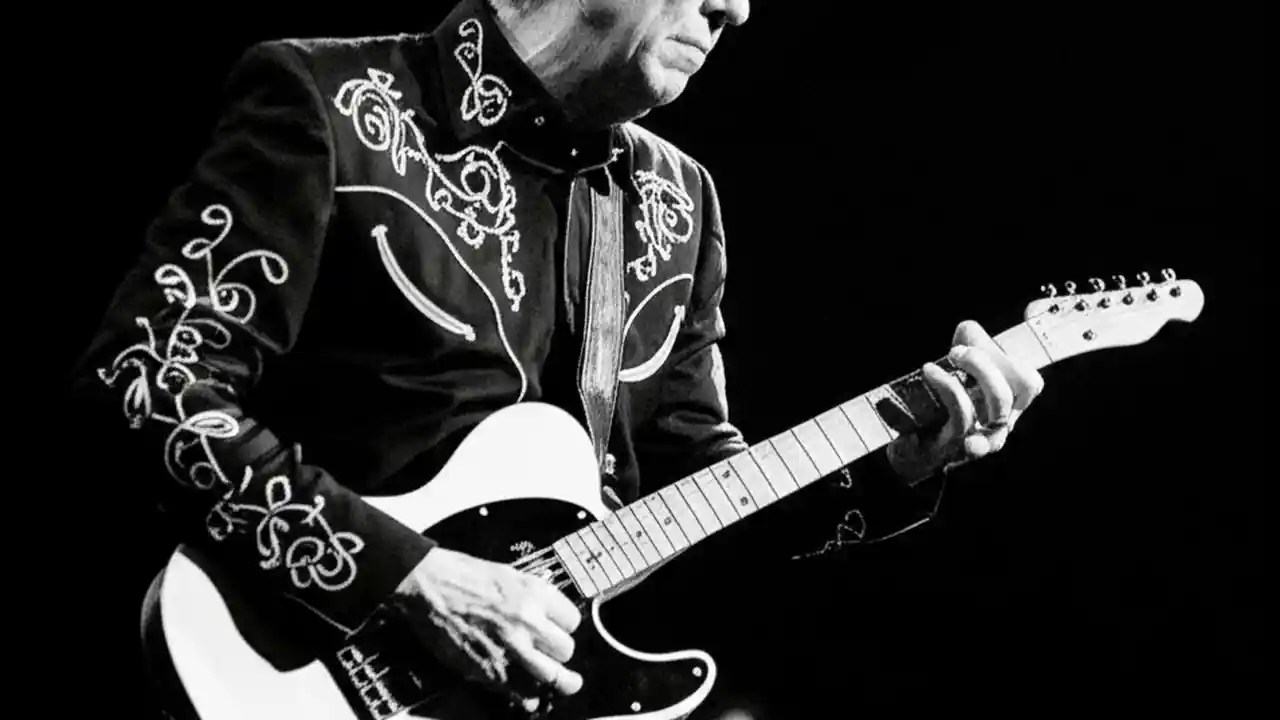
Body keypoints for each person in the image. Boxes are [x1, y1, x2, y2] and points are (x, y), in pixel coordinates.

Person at [67, 0, 1044, 713]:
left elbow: (701, 489)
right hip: (268, 670)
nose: (737, 9)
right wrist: (406, 579)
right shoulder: (335, 103)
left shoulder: (677, 200)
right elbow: (144, 379)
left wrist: (894, 463)